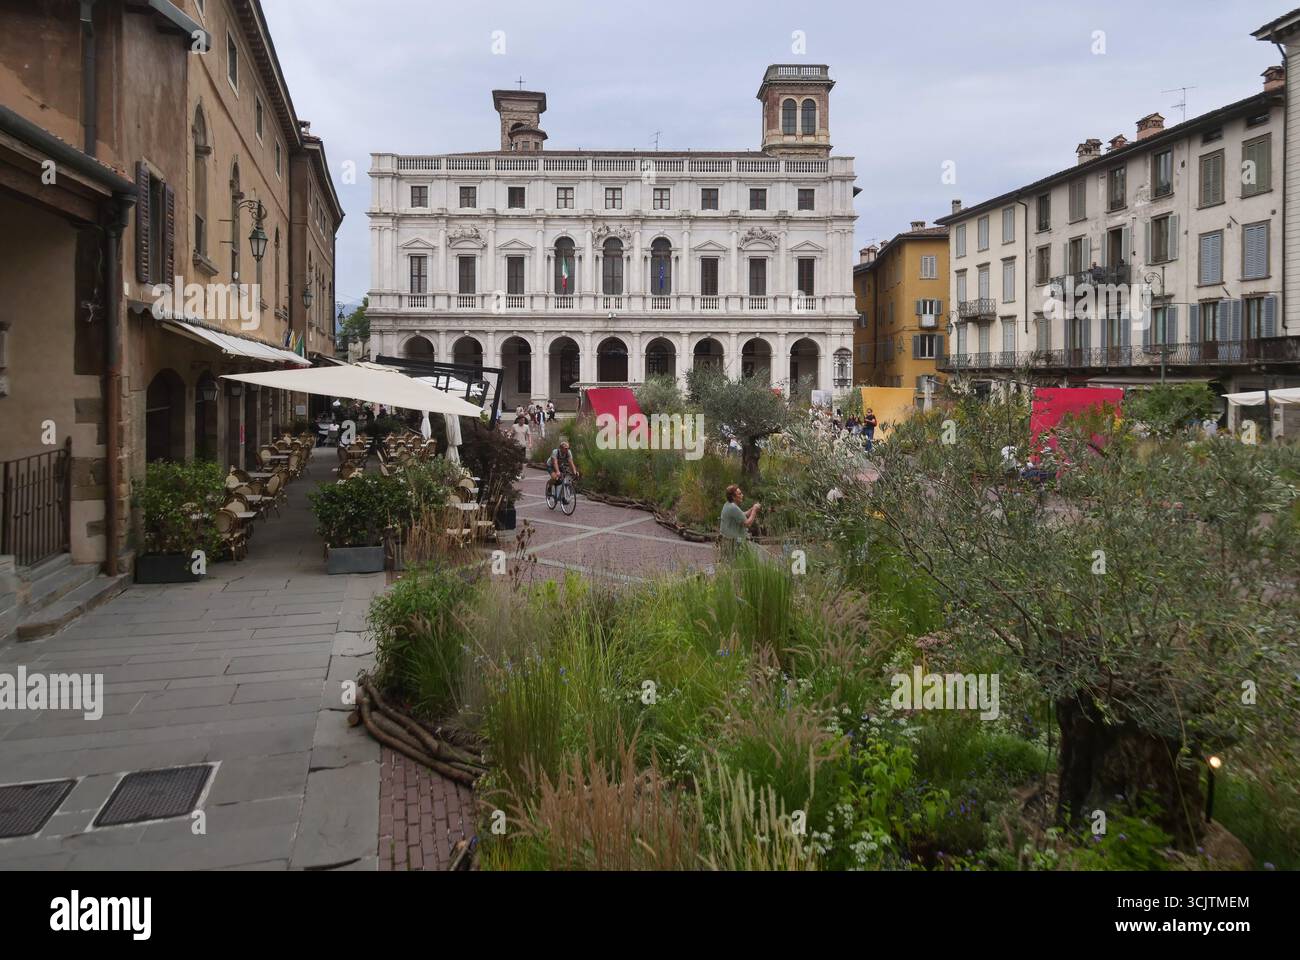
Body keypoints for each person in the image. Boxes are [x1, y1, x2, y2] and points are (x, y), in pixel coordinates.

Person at [719, 484, 760, 560]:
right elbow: (747, 524)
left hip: (729, 542)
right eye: (740, 494)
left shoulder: (728, 505)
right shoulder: (733, 508)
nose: (742, 495)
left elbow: (742, 515)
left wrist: (753, 508)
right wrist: (754, 510)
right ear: (733, 497)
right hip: (732, 544)